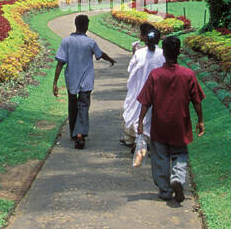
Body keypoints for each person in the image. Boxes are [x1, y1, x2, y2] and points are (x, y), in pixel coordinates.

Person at [136, 35, 204, 202]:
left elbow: (146, 101)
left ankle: (165, 191)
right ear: (179, 52)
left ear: (164, 53)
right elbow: (197, 101)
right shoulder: (188, 74)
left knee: (160, 157)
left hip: (160, 124)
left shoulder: (156, 75)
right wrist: (200, 120)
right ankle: (178, 178)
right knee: (180, 153)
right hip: (180, 123)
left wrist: (140, 121)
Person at [53, 14, 116, 149]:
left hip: (71, 80)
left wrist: (55, 82)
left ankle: (74, 133)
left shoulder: (66, 41)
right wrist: (110, 59)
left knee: (72, 105)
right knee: (83, 106)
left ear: (76, 25)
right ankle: (80, 133)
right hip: (86, 81)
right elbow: (101, 54)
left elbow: (60, 63)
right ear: (86, 26)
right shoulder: (90, 42)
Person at [122, 25, 164, 167]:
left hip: (139, 89)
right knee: (151, 116)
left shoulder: (139, 54)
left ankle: (137, 140)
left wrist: (134, 52)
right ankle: (148, 140)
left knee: (135, 113)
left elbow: (130, 69)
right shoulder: (163, 54)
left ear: (146, 39)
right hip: (157, 91)